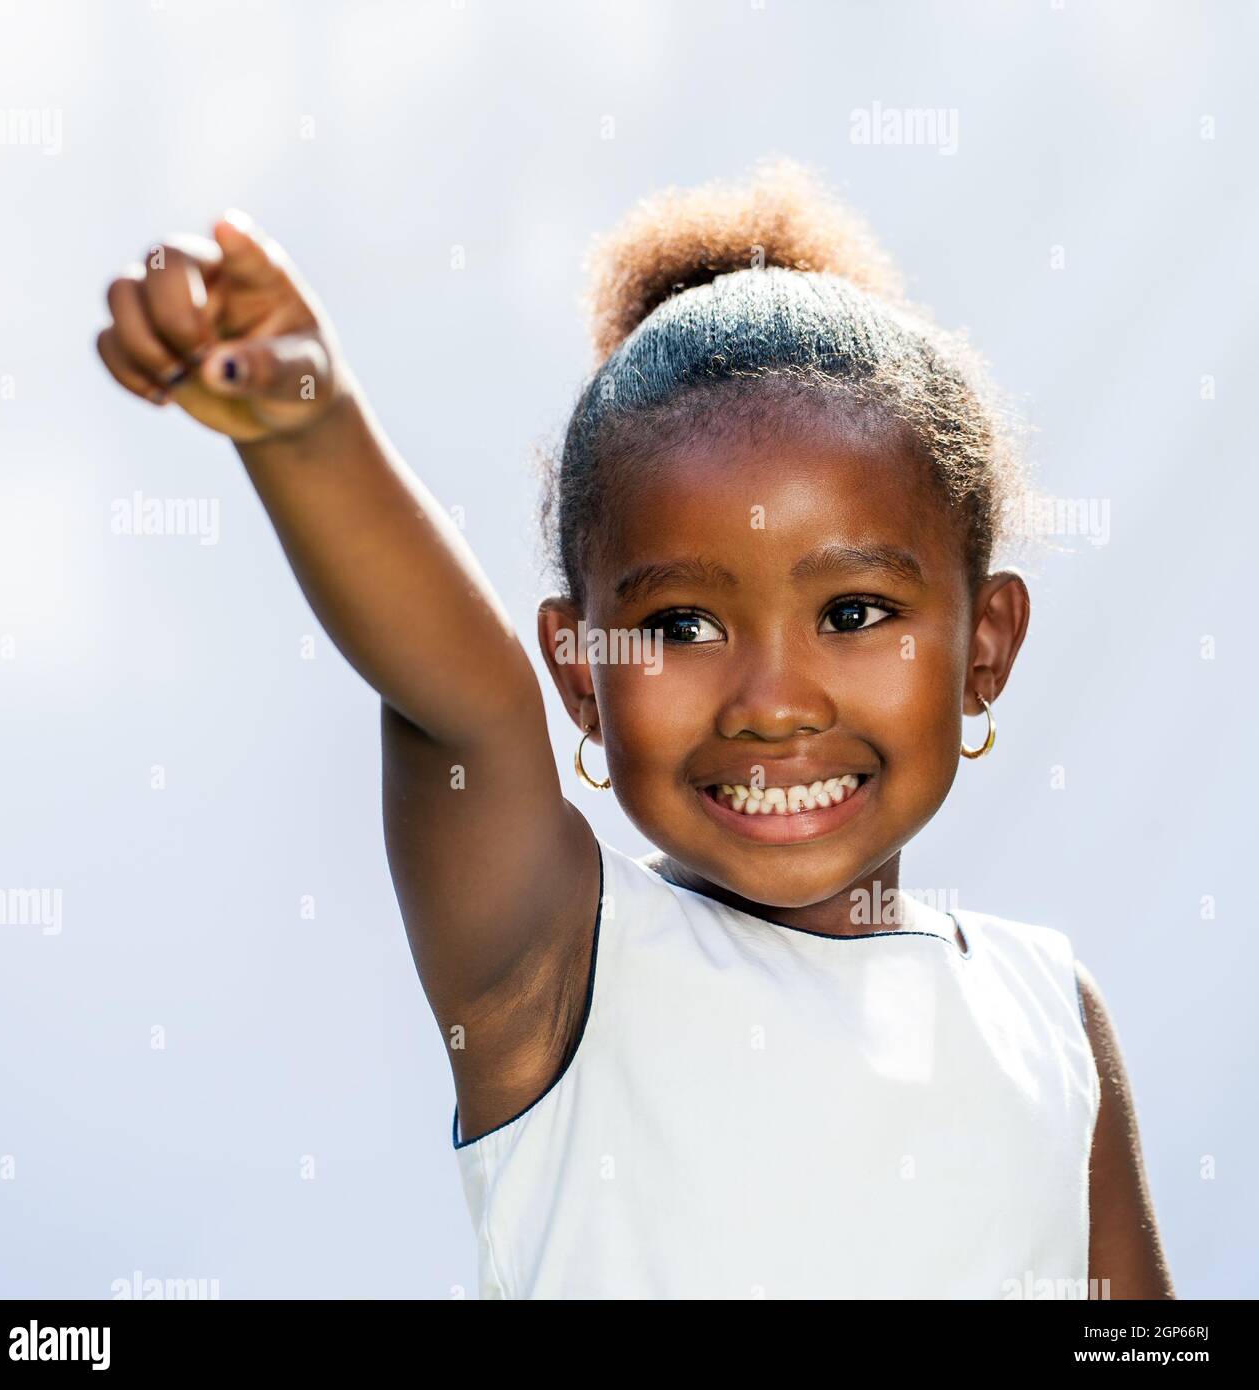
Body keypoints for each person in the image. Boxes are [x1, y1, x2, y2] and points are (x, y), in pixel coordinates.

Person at [96, 159, 1173, 1300]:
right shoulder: (559, 964)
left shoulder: (1046, 1012)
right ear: (579, 674)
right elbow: (458, 706)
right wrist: (308, 431)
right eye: (683, 622)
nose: (771, 700)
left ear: (984, 648)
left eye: (852, 612)